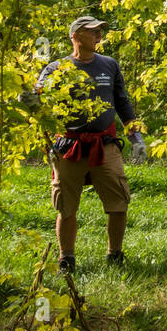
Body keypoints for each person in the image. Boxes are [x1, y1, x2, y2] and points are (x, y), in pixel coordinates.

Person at [34, 15, 144, 275]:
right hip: (68, 146)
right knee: (65, 204)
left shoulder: (109, 65)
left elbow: (122, 102)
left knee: (119, 200)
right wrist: (29, 101)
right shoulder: (56, 68)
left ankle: (115, 254)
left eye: (100, 31)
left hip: (105, 145)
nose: (98, 35)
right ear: (75, 36)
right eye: (92, 31)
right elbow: (40, 104)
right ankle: (66, 259)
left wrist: (135, 136)